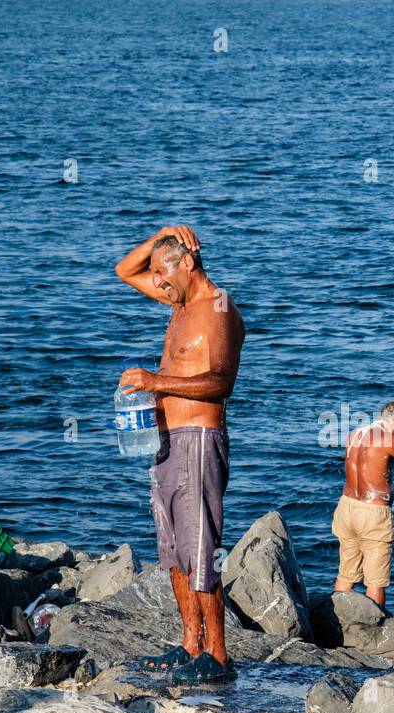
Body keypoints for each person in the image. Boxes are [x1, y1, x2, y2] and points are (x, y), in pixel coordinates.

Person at [115, 225, 245, 684]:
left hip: (198, 439)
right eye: (157, 274)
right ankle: (190, 643)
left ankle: (219, 655)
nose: (159, 282)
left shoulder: (218, 310)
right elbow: (123, 270)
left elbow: (220, 383)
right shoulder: (180, 302)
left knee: (200, 550)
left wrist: (155, 382)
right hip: (166, 440)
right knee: (172, 550)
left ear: (187, 264)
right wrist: (159, 237)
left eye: (164, 272)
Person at [331, 401, 394, 608]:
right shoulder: (387, 438)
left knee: (346, 574)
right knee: (375, 581)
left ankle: (333, 621)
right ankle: (374, 631)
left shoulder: (355, 434)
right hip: (372, 513)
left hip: (346, 508)